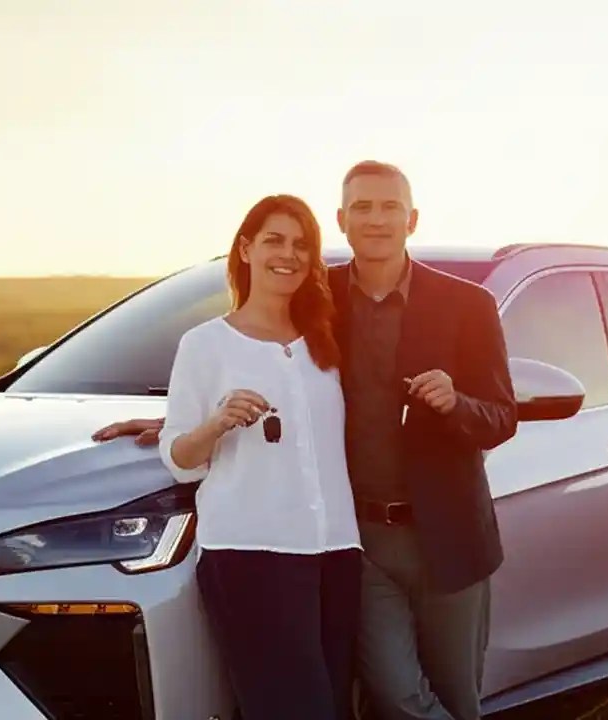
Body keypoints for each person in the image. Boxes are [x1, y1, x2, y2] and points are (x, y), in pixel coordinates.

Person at [93, 161, 517, 720]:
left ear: (412, 219)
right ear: (341, 220)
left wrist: (457, 402)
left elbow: (502, 415)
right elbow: (263, 366)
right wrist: (170, 422)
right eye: (361, 207)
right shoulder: (321, 303)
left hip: (448, 534)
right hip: (359, 541)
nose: (376, 219)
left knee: (456, 695)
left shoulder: (468, 305)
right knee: (392, 692)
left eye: (389, 206)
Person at [158, 193, 362, 720]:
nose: (288, 254)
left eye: (302, 245)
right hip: (251, 555)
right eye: (274, 240)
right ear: (246, 249)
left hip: (336, 550)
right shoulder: (205, 344)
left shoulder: (326, 341)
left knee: (335, 705)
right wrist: (216, 422)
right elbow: (180, 456)